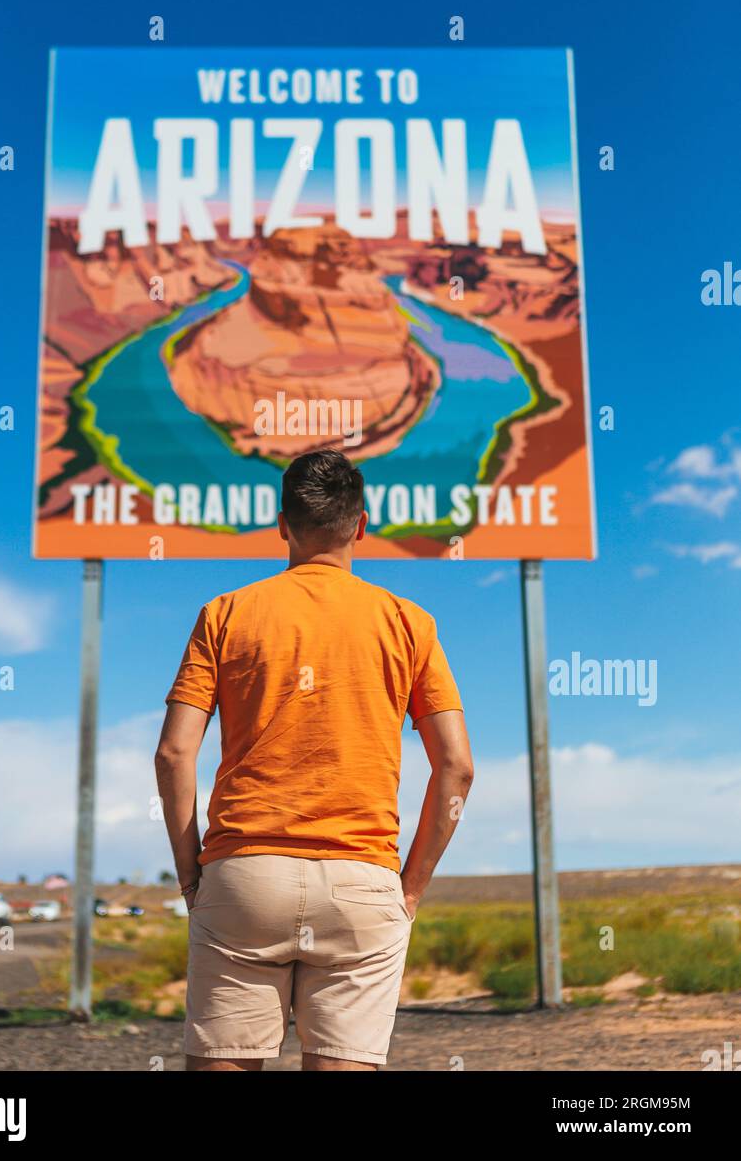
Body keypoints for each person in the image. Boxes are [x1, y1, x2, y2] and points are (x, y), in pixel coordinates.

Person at [154, 449, 474, 1072]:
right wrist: (410, 888)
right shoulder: (410, 623)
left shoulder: (224, 615)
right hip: (362, 881)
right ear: (361, 525)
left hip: (245, 875)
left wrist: (192, 875)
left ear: (282, 524)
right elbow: (456, 766)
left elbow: (173, 753)